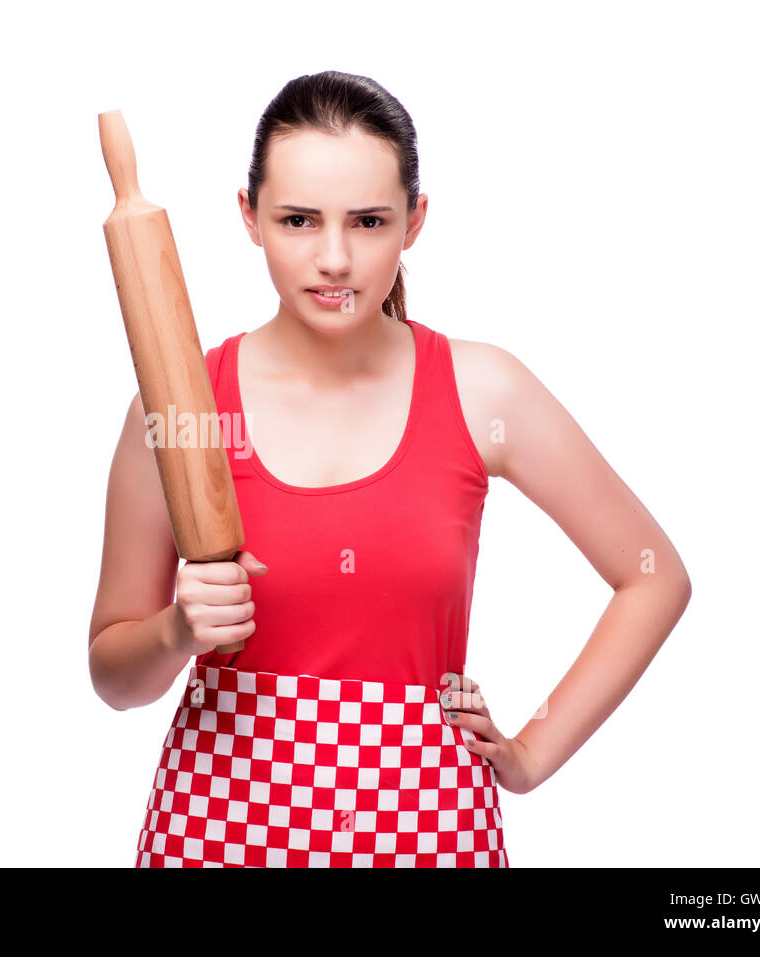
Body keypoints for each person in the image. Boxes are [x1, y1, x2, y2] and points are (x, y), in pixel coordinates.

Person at [88, 71, 691, 867]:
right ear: (249, 217)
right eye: (298, 220)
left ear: (414, 222)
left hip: (428, 825)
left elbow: (654, 576)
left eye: (368, 221)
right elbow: (113, 675)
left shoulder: (482, 390)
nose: (333, 258)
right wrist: (174, 632)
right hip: (217, 825)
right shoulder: (178, 408)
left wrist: (532, 752)